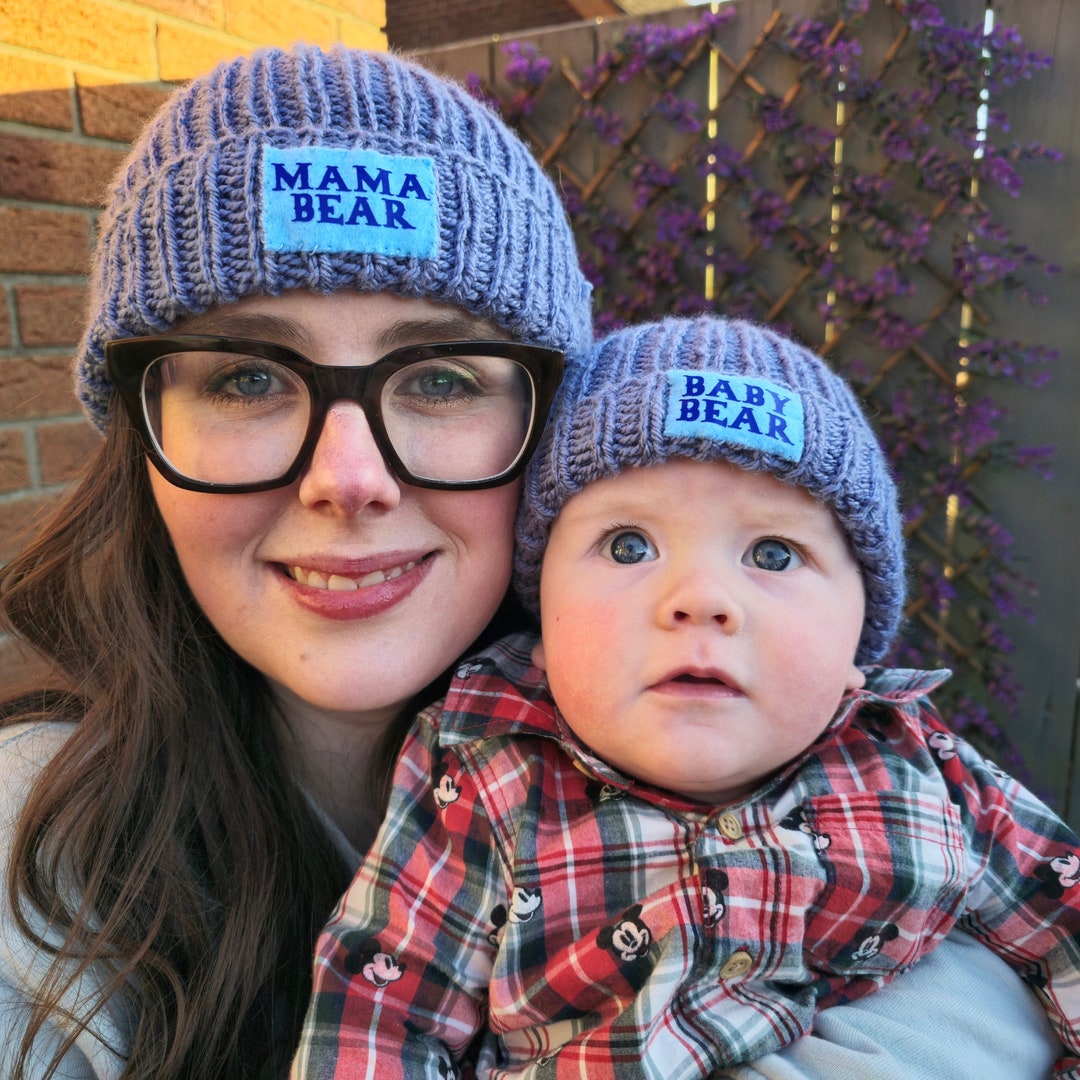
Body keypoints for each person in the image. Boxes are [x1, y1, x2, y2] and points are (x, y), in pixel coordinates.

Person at [0, 40, 1059, 1080]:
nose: (349, 477)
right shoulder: (31, 870)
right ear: (139, 437)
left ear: (554, 432)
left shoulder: (828, 752)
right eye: (242, 379)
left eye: (444, 379)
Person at [292, 315, 1078, 1079]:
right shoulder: (487, 770)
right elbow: (383, 1012)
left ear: (858, 639)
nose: (700, 598)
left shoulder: (920, 766)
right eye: (628, 545)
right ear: (542, 607)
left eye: (773, 553)